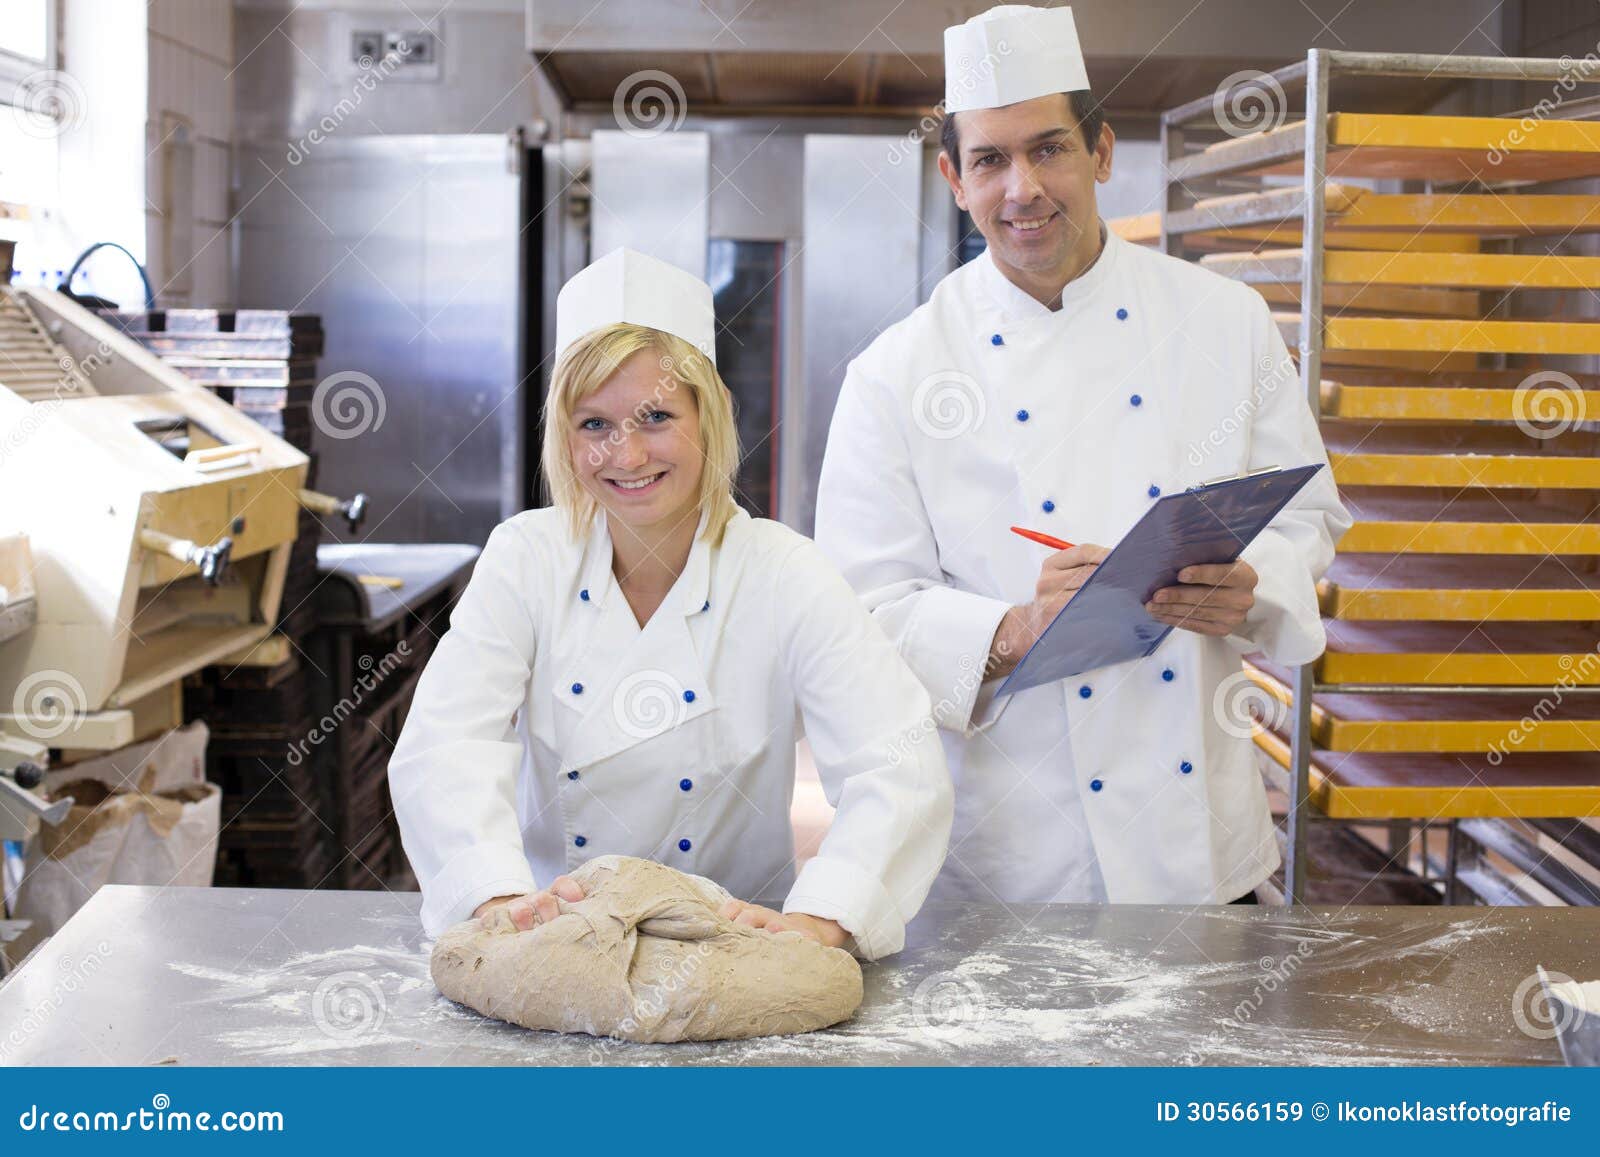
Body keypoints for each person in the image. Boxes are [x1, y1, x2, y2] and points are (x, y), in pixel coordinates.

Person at [814, 5, 1351, 907]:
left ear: (1101, 153)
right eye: (990, 159)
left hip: (1199, 852)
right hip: (1011, 866)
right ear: (953, 177)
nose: (1022, 187)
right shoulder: (894, 374)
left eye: (1049, 149)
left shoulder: (1225, 323)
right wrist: (1014, 628)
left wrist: (1250, 579)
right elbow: (860, 617)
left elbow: (1310, 519)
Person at [390, 247, 952, 959]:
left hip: (736, 952)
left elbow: (896, 759)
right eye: (595, 423)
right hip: (554, 946)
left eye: (655, 416)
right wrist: (498, 899)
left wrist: (825, 915)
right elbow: (446, 746)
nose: (625, 455)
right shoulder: (524, 559)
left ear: (710, 413)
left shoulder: (786, 573)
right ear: (565, 436)